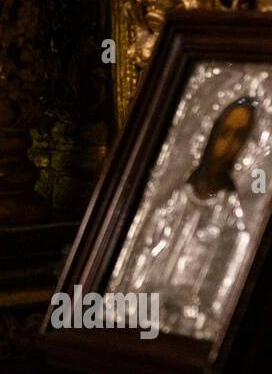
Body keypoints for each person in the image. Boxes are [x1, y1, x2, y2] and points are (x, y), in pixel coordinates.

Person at [109, 97, 258, 340]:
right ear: (209, 136)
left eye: (240, 137)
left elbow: (218, 300)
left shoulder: (233, 222)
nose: (230, 145)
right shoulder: (170, 206)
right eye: (225, 133)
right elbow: (137, 267)